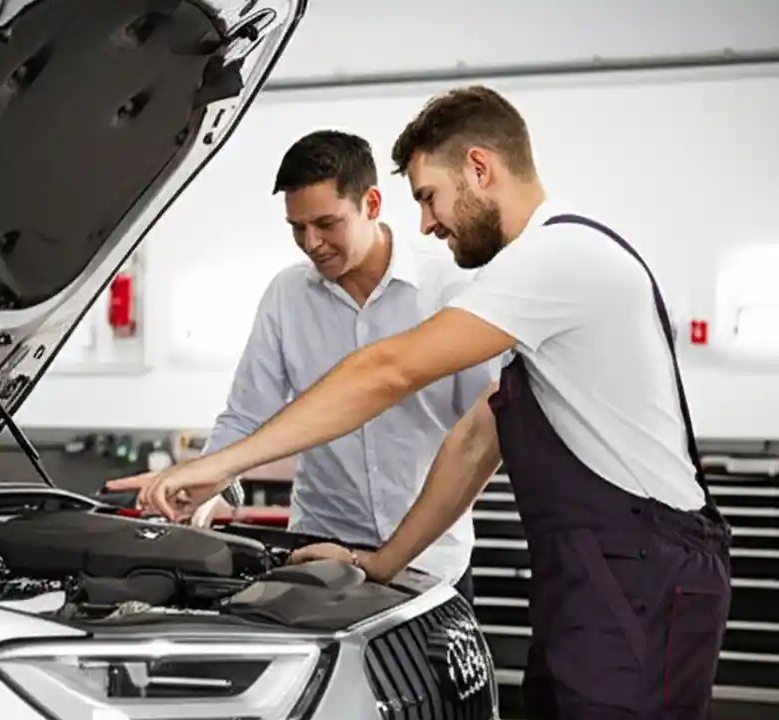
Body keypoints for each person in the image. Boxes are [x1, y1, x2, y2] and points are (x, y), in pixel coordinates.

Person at [135, 87, 732, 719]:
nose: (424, 222)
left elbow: (386, 371)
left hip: (642, 565)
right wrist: (379, 563)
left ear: (479, 169)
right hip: (590, 569)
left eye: (427, 196)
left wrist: (216, 467)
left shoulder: (558, 258)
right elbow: (477, 438)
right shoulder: (528, 273)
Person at [108, 129, 495, 598]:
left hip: (429, 559)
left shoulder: (450, 289)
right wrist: (207, 478)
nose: (311, 243)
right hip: (318, 554)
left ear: (371, 204)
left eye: (326, 223)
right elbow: (247, 414)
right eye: (297, 227)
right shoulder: (286, 296)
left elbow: (476, 431)